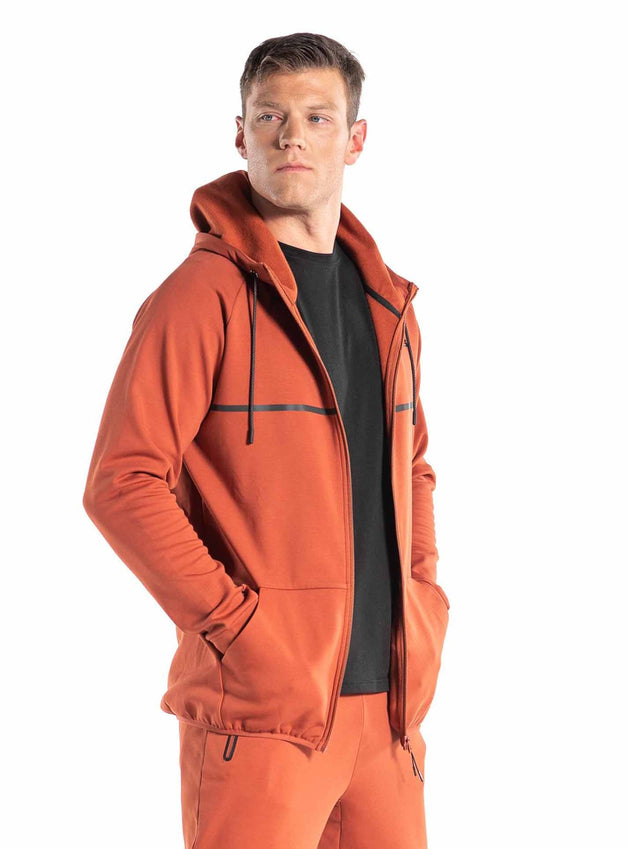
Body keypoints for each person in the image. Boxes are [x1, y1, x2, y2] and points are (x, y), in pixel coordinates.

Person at [83, 31, 450, 849]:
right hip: (262, 720)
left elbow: (414, 468)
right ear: (240, 134)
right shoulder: (199, 297)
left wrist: (423, 597)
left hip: (388, 717)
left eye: (318, 117)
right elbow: (122, 482)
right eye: (270, 116)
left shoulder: (389, 307)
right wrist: (238, 630)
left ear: (356, 139)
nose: (292, 137)